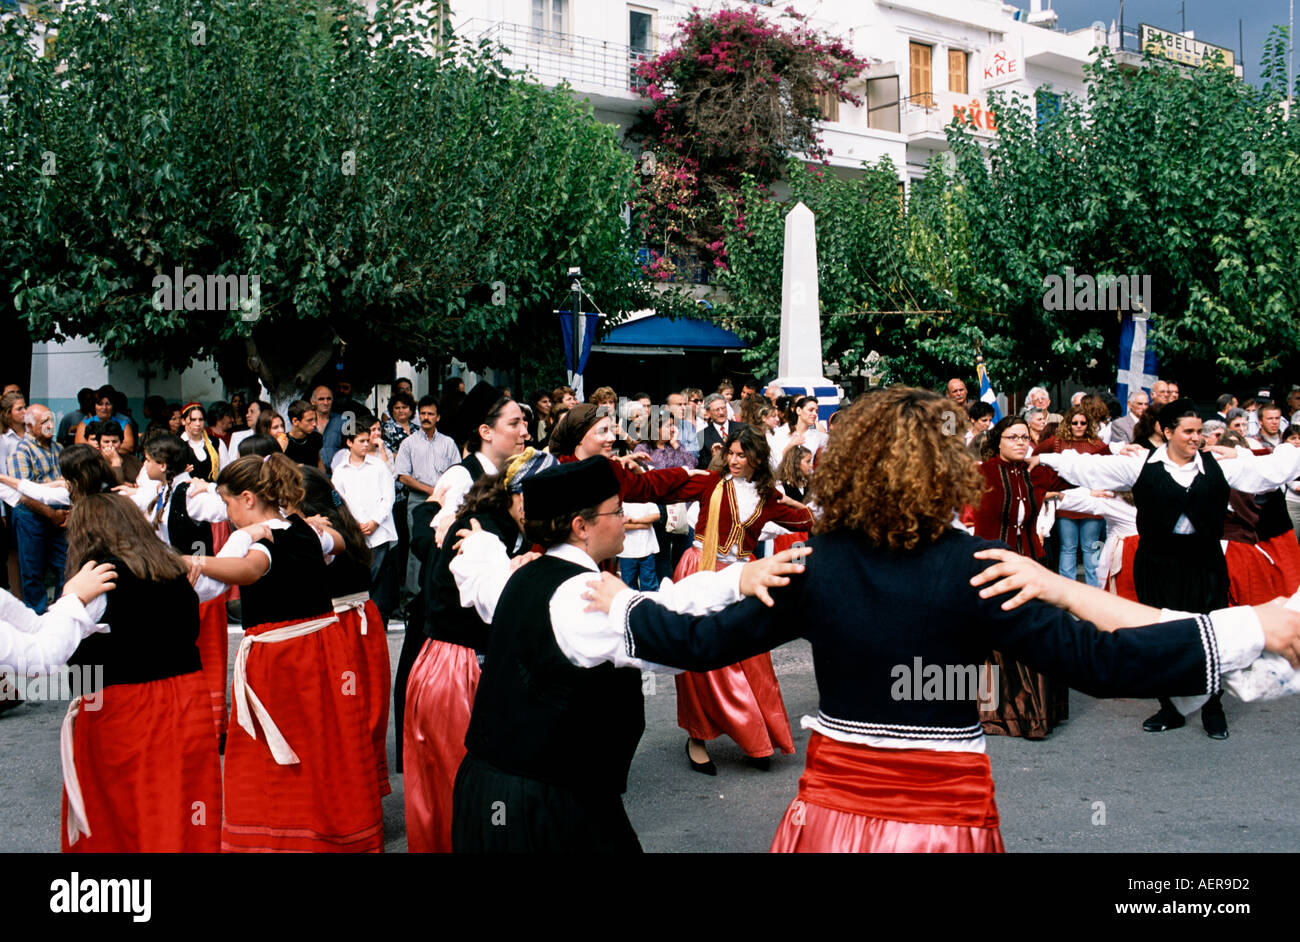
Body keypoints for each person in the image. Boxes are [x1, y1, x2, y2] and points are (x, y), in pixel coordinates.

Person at [585, 387, 1300, 853]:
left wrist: (617, 603)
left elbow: (696, 643)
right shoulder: (981, 568)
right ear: (944, 469)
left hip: (829, 825)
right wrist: (1255, 631)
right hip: (941, 826)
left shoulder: (813, 566)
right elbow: (1104, 663)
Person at [448, 457, 810, 852]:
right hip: (546, 804)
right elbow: (672, 638)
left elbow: (482, 575)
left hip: (485, 793)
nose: (626, 519)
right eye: (617, 511)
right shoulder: (582, 597)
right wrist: (752, 589)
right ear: (581, 526)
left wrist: (478, 542)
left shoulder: (521, 575)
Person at [1037, 398, 1300, 739]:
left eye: (1199, 432)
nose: (1196, 438)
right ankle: (1170, 707)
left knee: (1212, 632)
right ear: (1167, 431)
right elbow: (1088, 467)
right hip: (1157, 564)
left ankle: (1212, 707)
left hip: (1204, 563)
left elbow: (1279, 467)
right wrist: (1041, 457)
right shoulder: (1139, 466)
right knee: (1160, 635)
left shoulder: (1219, 465)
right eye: (1188, 432)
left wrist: (1245, 454)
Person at [187, 453, 381, 852]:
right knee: (321, 744)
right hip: (323, 649)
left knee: (278, 755)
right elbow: (341, 541)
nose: (226, 514)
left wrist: (195, 561)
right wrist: (310, 530)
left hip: (283, 657)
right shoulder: (299, 530)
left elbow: (249, 571)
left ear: (247, 498)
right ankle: (329, 831)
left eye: (227, 504)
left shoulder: (257, 537)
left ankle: (284, 838)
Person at [403, 448, 554, 853]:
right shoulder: (482, 530)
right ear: (517, 496)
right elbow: (500, 605)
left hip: (463, 660)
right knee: (471, 784)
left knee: (475, 785)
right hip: (459, 665)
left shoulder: (507, 527)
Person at [59, 493, 222, 852]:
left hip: (124, 708)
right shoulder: (174, 572)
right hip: (188, 699)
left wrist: (86, 694)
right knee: (181, 807)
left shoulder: (96, 581)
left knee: (123, 817)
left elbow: (68, 661)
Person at [674, 426, 814, 773]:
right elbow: (665, 487)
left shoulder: (768, 498)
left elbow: (809, 520)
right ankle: (697, 736)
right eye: (731, 454)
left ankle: (756, 735)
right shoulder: (710, 483)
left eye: (741, 455)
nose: (734, 460)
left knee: (752, 654)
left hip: (743, 576)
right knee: (700, 658)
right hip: (699, 567)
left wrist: (795, 502)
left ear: (756, 458)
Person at [299, 467, 390, 803]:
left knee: (342, 717)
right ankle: (361, 794)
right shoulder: (343, 522)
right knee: (366, 710)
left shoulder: (318, 533)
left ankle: (348, 799)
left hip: (340, 626)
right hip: (363, 622)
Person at [973, 415, 1066, 739]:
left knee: (1033, 633)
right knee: (995, 641)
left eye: (1024, 437)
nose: (1020, 442)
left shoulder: (1036, 472)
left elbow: (1074, 477)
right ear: (997, 441)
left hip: (1031, 562)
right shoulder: (980, 473)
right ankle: (999, 711)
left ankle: (1037, 710)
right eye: (1012, 437)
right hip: (991, 566)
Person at [1035, 405, 1110, 588]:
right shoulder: (1057, 442)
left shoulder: (1098, 445)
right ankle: (1067, 591)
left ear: (1088, 424)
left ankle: (1095, 591)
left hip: (1092, 502)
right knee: (1068, 548)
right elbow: (1036, 455)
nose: (1078, 426)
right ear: (1068, 423)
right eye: (1074, 422)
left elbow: (1109, 469)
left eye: (1082, 423)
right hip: (1065, 500)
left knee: (1092, 548)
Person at [332, 413, 397, 619]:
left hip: (379, 531)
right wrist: (353, 525)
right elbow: (338, 501)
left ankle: (378, 617)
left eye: (367, 440)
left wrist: (375, 521)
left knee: (378, 577)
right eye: (360, 441)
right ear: (349, 442)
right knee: (359, 576)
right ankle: (360, 616)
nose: (365, 445)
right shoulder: (340, 470)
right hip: (354, 532)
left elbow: (388, 496)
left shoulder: (378, 466)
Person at [10, 405, 68, 613]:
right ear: (29, 426)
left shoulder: (58, 448)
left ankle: (64, 612)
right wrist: (52, 515)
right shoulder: (21, 452)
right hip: (32, 516)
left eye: (51, 420)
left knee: (67, 563)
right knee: (32, 571)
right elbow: (25, 494)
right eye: (44, 422)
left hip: (60, 515)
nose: (50, 425)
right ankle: (37, 614)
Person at [696, 393, 743, 468]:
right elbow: (701, 466)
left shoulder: (743, 428)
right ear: (708, 412)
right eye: (716, 410)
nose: (721, 412)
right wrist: (714, 458)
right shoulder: (701, 436)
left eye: (723, 408)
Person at [178, 402, 221, 482]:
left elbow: (225, 471)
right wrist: (181, 473)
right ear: (183, 421)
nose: (197, 424)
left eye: (200, 420)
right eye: (193, 420)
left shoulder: (216, 442)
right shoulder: (176, 445)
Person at [282, 399, 323, 468]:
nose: (314, 424)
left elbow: (319, 461)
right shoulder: (284, 442)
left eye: (315, 419)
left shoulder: (316, 437)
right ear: (295, 421)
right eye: (309, 420)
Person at [311, 385, 344, 469]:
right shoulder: (306, 423)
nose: (325, 402)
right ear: (312, 401)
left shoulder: (342, 422)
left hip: (336, 474)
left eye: (328, 399)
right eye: (321, 399)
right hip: (313, 475)